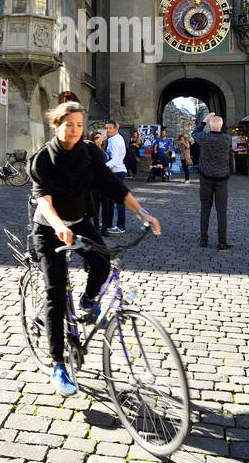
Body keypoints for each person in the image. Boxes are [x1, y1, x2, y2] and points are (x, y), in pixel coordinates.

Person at [29, 100, 160, 397]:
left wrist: (142, 212)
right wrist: (59, 225)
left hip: (80, 220)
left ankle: (88, 301)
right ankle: (58, 364)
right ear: (56, 125)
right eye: (68, 125)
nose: (74, 130)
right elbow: (44, 200)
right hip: (50, 229)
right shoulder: (43, 159)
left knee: (102, 263)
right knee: (56, 294)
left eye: (79, 125)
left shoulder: (90, 153)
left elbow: (112, 186)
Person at [193, 112, 233, 249]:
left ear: (210, 126)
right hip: (222, 178)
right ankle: (222, 241)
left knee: (205, 209)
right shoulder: (227, 139)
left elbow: (194, 133)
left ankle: (203, 239)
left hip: (206, 178)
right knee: (222, 210)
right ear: (221, 126)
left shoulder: (204, 138)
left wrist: (204, 121)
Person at [104, 120, 128, 233]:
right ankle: (107, 223)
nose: (108, 130)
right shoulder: (114, 139)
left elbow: (115, 160)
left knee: (119, 201)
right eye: (107, 128)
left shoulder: (116, 141)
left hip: (117, 172)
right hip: (115, 171)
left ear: (116, 129)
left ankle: (120, 226)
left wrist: (102, 167)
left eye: (110, 128)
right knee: (110, 200)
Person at [89, 130, 114, 234]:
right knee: (96, 207)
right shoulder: (91, 151)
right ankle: (96, 228)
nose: (98, 140)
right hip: (95, 184)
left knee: (106, 207)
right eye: (96, 138)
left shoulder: (105, 152)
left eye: (99, 137)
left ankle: (104, 229)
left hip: (105, 184)